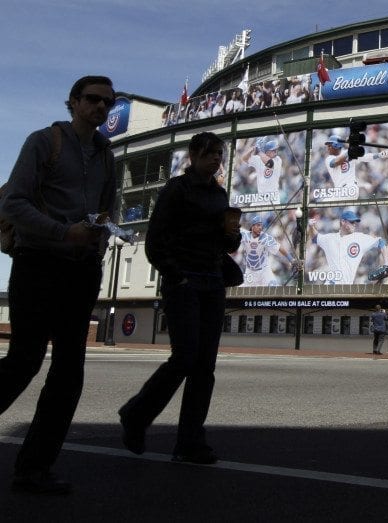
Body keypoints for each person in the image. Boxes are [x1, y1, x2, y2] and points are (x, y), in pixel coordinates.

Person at [0, 75, 117, 494]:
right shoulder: (43, 142)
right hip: (38, 261)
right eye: (93, 99)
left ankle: (33, 468)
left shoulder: (107, 155)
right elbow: (12, 202)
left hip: (80, 270)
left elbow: (108, 209)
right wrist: (62, 232)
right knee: (24, 361)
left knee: (69, 372)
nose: (101, 107)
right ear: (73, 102)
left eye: (108, 101)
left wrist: (100, 238)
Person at [118, 132, 242, 465]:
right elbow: (155, 241)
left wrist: (233, 236)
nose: (215, 158)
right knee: (185, 358)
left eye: (219, 153)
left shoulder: (220, 195)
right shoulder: (176, 189)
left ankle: (190, 441)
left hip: (213, 281)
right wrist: (178, 276)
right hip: (185, 281)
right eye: (209, 153)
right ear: (193, 155)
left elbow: (228, 245)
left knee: (205, 367)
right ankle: (136, 414)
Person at [307, 209, 388, 285]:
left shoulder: (360, 238)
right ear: (343, 222)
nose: (354, 224)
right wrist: (311, 226)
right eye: (352, 222)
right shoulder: (330, 238)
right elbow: (315, 237)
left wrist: (386, 264)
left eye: (355, 222)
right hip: (329, 286)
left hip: (346, 287)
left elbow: (381, 242)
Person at [320, 134, 388, 202]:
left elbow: (365, 157)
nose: (328, 148)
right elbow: (334, 163)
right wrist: (351, 149)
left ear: (336, 145)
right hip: (340, 191)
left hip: (350, 188)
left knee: (323, 203)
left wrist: (379, 155)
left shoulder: (349, 152)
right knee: (323, 204)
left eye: (329, 145)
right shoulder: (329, 158)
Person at [237, 213, 296, 286]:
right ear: (252, 226)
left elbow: (279, 247)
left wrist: (291, 259)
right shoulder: (245, 235)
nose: (260, 227)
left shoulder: (266, 238)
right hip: (250, 272)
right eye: (258, 225)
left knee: (274, 287)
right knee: (241, 292)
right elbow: (234, 228)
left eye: (261, 225)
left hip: (264, 271)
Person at [239, 136, 284, 204]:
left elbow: (270, 163)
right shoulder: (258, 159)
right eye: (273, 150)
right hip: (261, 197)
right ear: (267, 152)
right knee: (249, 211)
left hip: (273, 197)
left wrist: (259, 151)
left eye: (276, 150)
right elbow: (244, 158)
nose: (275, 152)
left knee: (273, 214)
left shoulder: (277, 160)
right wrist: (252, 149)